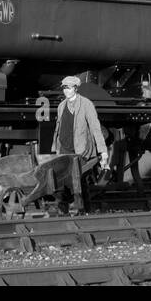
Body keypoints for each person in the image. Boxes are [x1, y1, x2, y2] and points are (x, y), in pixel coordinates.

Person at [50, 75, 110, 214]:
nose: (66, 90)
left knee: (79, 180)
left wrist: (103, 151)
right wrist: (55, 147)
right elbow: (58, 128)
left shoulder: (86, 104)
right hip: (64, 149)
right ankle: (64, 210)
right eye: (64, 88)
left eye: (69, 88)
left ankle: (84, 209)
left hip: (81, 150)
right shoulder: (61, 106)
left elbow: (95, 128)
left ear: (76, 88)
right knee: (62, 181)